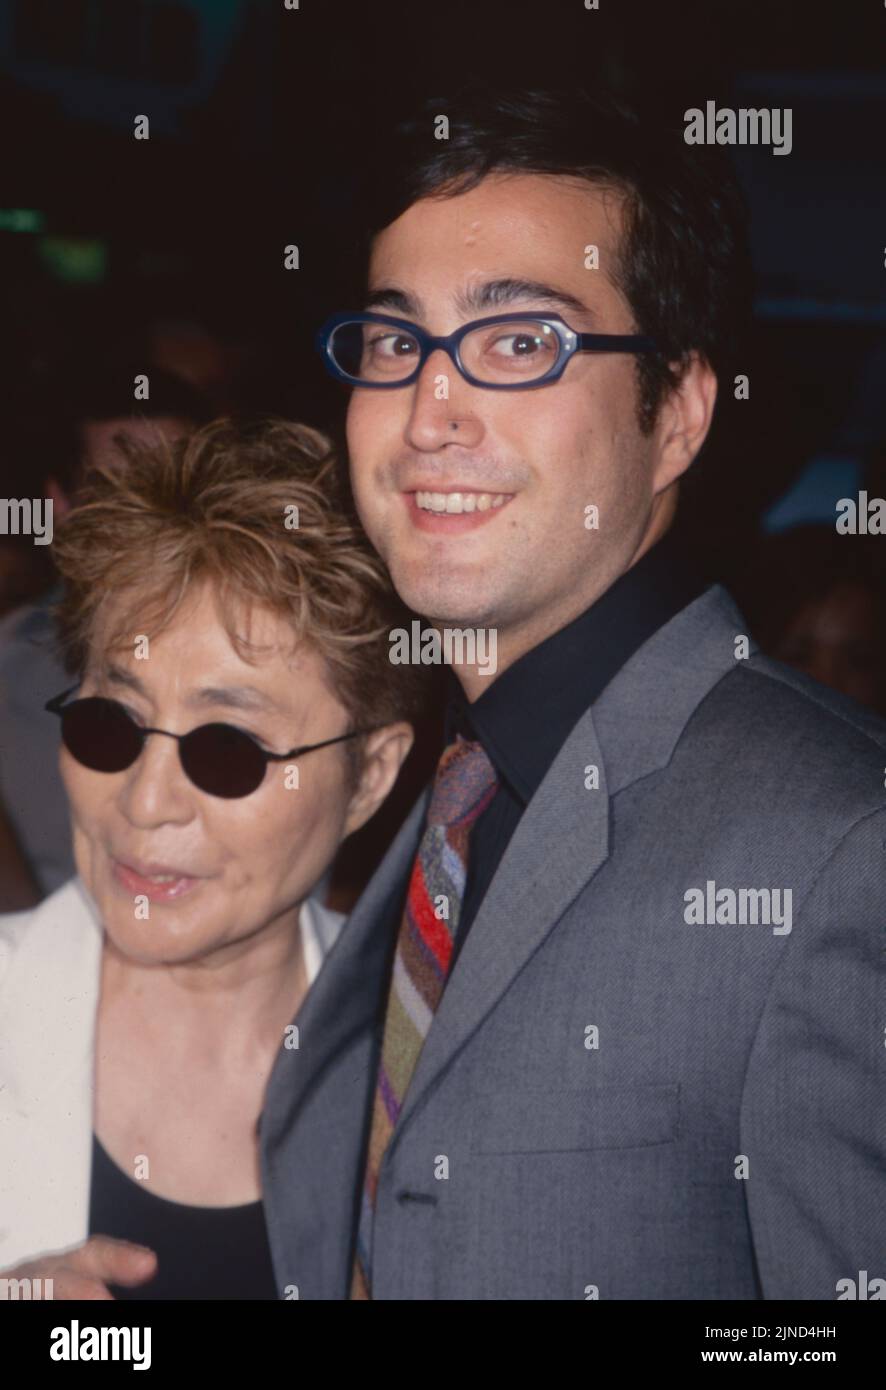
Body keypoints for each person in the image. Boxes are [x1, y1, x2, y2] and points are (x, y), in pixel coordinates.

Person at [263, 86, 886, 1300]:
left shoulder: (838, 845)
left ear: (678, 415)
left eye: (518, 343)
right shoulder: (443, 788)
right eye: (397, 341)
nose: (429, 411)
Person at [0, 418, 421, 1298]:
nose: (145, 803)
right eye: (107, 725)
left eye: (227, 750)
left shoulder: (440, 1055)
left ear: (370, 778)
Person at [0, 363, 210, 906]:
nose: (152, 519)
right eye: (117, 489)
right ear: (60, 507)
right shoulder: (7, 675)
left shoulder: (298, 669)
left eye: (178, 486)